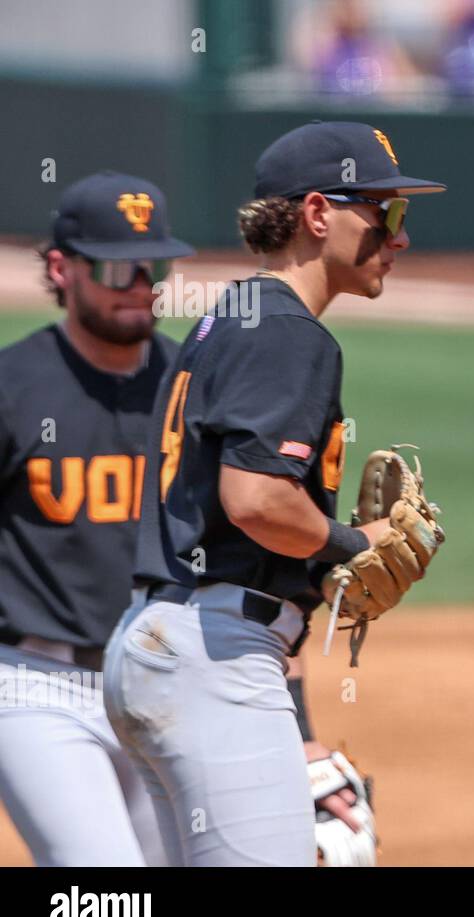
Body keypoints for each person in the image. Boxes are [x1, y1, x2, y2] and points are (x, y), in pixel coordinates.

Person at [102, 121, 445, 866]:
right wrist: (358, 545)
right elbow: (255, 500)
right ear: (319, 214)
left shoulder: (228, 316)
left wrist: (318, 560)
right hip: (215, 659)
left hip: (160, 640)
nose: (400, 236)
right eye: (385, 212)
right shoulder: (290, 332)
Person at [0, 171, 192, 865]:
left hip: (167, 684)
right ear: (61, 268)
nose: (138, 283)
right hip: (34, 683)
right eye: (116, 267)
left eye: (154, 266)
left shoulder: (192, 391)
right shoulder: (12, 389)